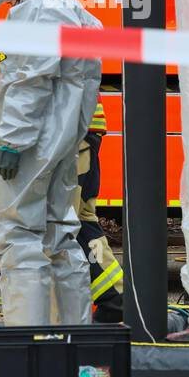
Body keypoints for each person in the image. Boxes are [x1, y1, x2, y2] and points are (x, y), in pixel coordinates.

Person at [0, 0, 101, 326]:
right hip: (64, 141)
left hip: (33, 143)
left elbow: (27, 82)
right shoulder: (72, 9)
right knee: (60, 235)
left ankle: (25, 338)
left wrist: (12, 142)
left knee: (19, 237)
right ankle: (73, 335)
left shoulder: (36, 11)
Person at [74, 102, 124, 323]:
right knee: (82, 219)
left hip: (70, 133)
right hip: (81, 130)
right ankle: (116, 297)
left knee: (60, 221)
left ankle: (117, 299)